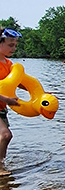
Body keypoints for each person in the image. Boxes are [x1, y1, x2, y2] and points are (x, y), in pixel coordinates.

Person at [0, 28, 21, 176]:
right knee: (6, 135)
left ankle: (1, 162)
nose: (14, 48)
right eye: (10, 45)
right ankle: (0, 167)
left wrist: (41, 93)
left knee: (4, 138)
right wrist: (6, 99)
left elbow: (19, 82)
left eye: (15, 45)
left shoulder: (8, 64)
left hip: (1, 109)